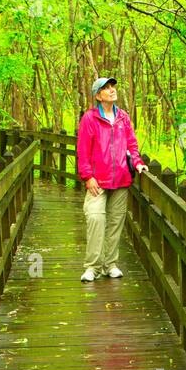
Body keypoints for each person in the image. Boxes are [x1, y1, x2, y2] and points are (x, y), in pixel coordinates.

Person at [75, 75, 148, 281]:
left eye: (112, 87)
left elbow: (131, 146)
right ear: (98, 96)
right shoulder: (90, 118)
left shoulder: (123, 117)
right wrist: (87, 176)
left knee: (115, 223)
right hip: (98, 180)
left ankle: (110, 264)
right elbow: (83, 150)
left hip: (121, 179)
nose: (112, 90)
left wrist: (138, 163)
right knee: (96, 219)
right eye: (106, 88)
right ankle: (92, 267)